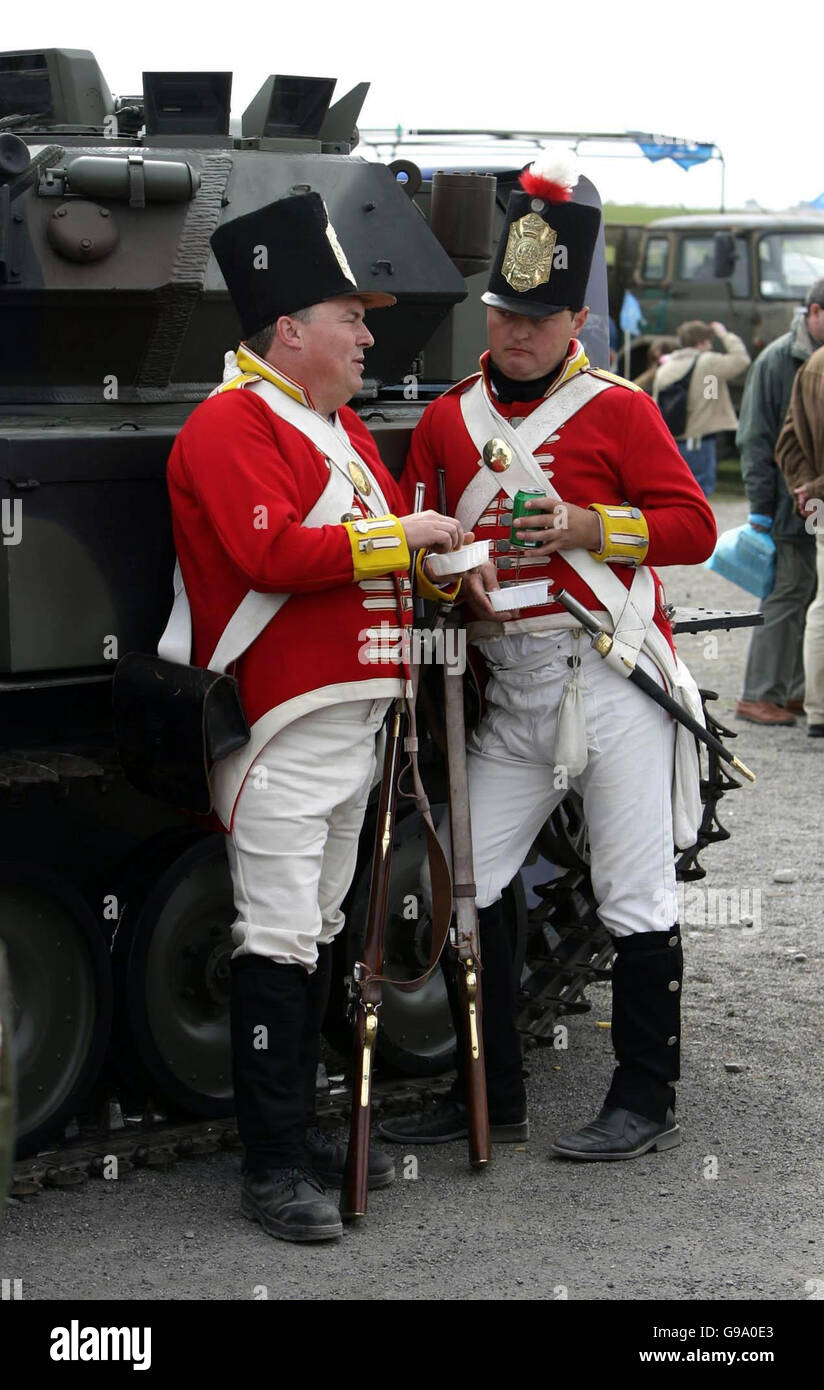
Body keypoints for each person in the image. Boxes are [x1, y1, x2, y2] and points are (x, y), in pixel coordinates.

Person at [381, 154, 717, 1161]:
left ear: (574, 323)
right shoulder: (447, 418)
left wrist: (580, 525)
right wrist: (447, 581)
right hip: (511, 689)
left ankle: (643, 1096)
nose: (514, 333)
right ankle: (493, 1088)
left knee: (631, 892)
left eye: (534, 318)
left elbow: (691, 527)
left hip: (605, 675)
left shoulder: (616, 408)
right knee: (465, 883)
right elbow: (421, 537)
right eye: (501, 314)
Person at [166, 192, 464, 1242]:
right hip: (283, 724)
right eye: (352, 316)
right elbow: (268, 555)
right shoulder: (227, 423)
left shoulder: (328, 427)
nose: (368, 334)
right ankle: (273, 1165)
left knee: (327, 931)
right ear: (290, 327)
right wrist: (402, 537)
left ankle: (313, 1132)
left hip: (353, 714)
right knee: (282, 936)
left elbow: (369, 540)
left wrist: (432, 553)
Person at [734, 280, 824, 726]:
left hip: (806, 505)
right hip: (788, 506)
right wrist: (760, 510)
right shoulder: (777, 361)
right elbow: (755, 438)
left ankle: (790, 690)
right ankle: (758, 694)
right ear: (814, 312)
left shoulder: (803, 358)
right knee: (786, 595)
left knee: (805, 592)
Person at [775, 343, 824, 738]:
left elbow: (787, 441)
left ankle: (819, 711)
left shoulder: (813, 364)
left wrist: (806, 489)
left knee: (822, 607)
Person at [652, 320, 750, 496]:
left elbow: (658, 403)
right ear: (702, 342)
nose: (711, 346)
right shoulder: (708, 362)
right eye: (709, 342)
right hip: (699, 443)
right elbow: (741, 359)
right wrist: (724, 334)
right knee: (699, 496)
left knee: (677, 495)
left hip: (673, 443)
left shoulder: (665, 368)